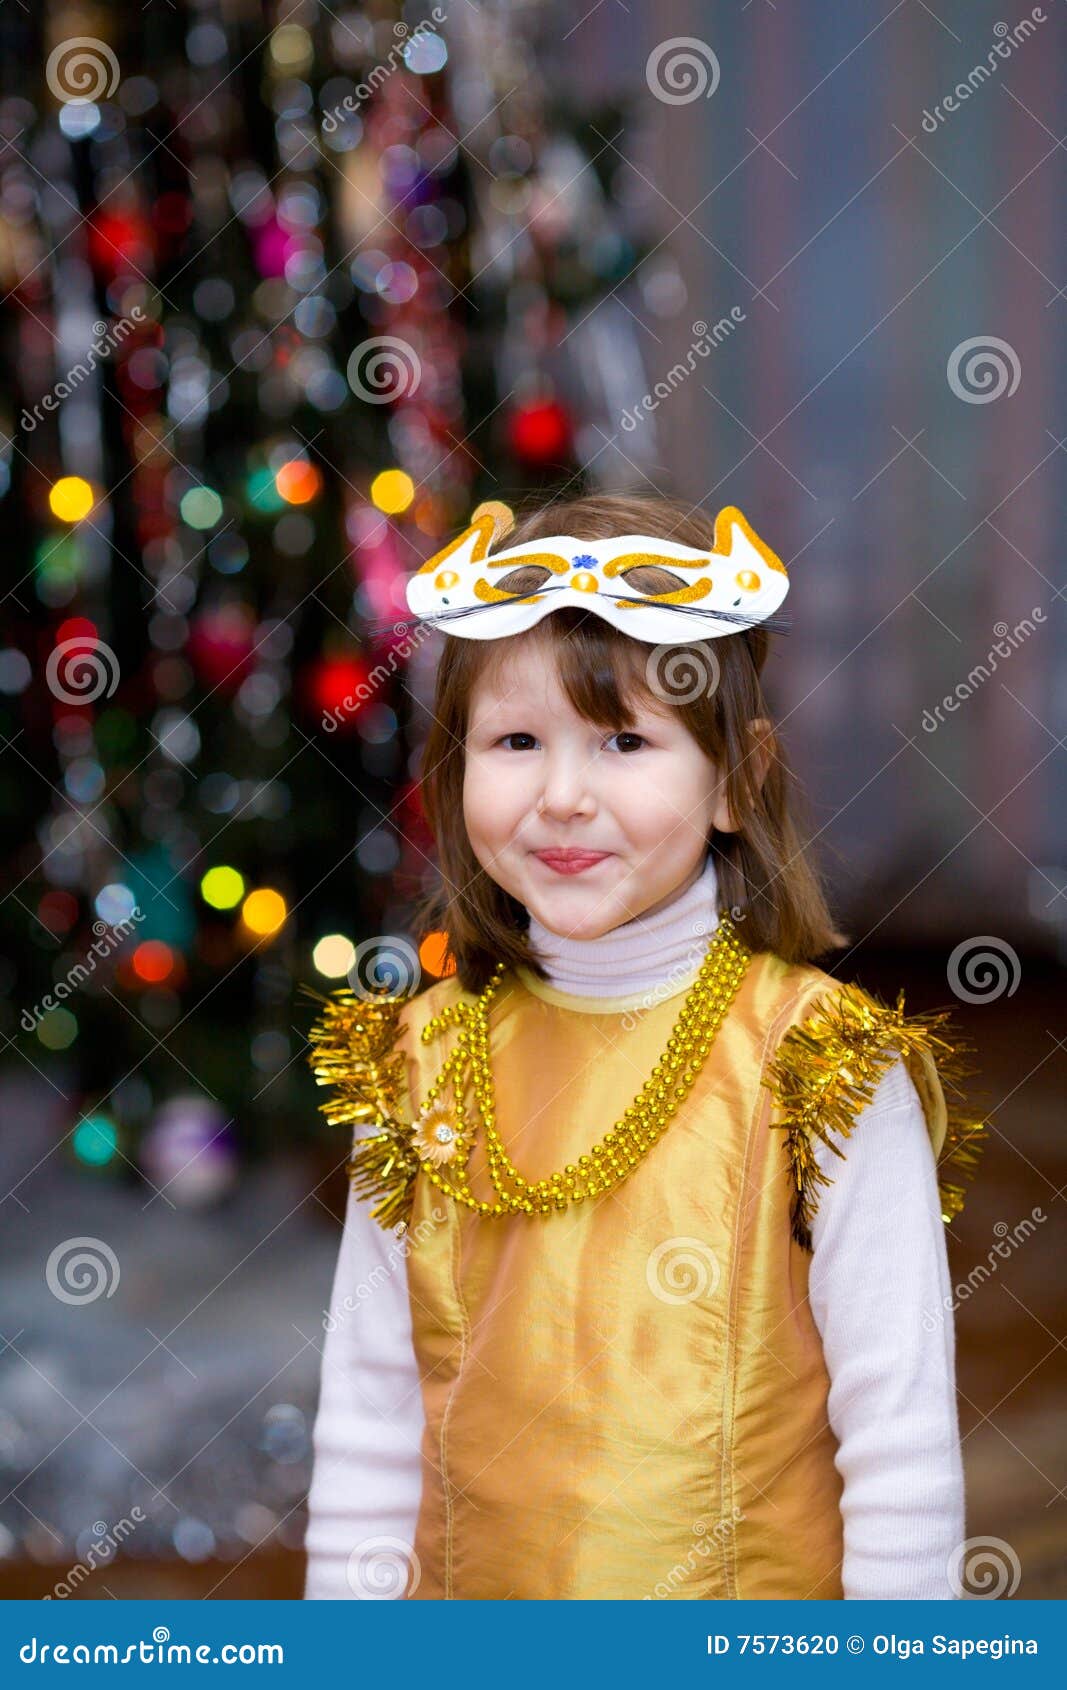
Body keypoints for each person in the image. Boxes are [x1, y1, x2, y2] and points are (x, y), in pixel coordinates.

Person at [301, 492, 987, 1602]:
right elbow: (369, 1414)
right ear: (454, 769)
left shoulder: (818, 1065)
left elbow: (897, 1440)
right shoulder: (418, 1061)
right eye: (516, 742)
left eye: (624, 741)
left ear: (734, 779)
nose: (563, 796)